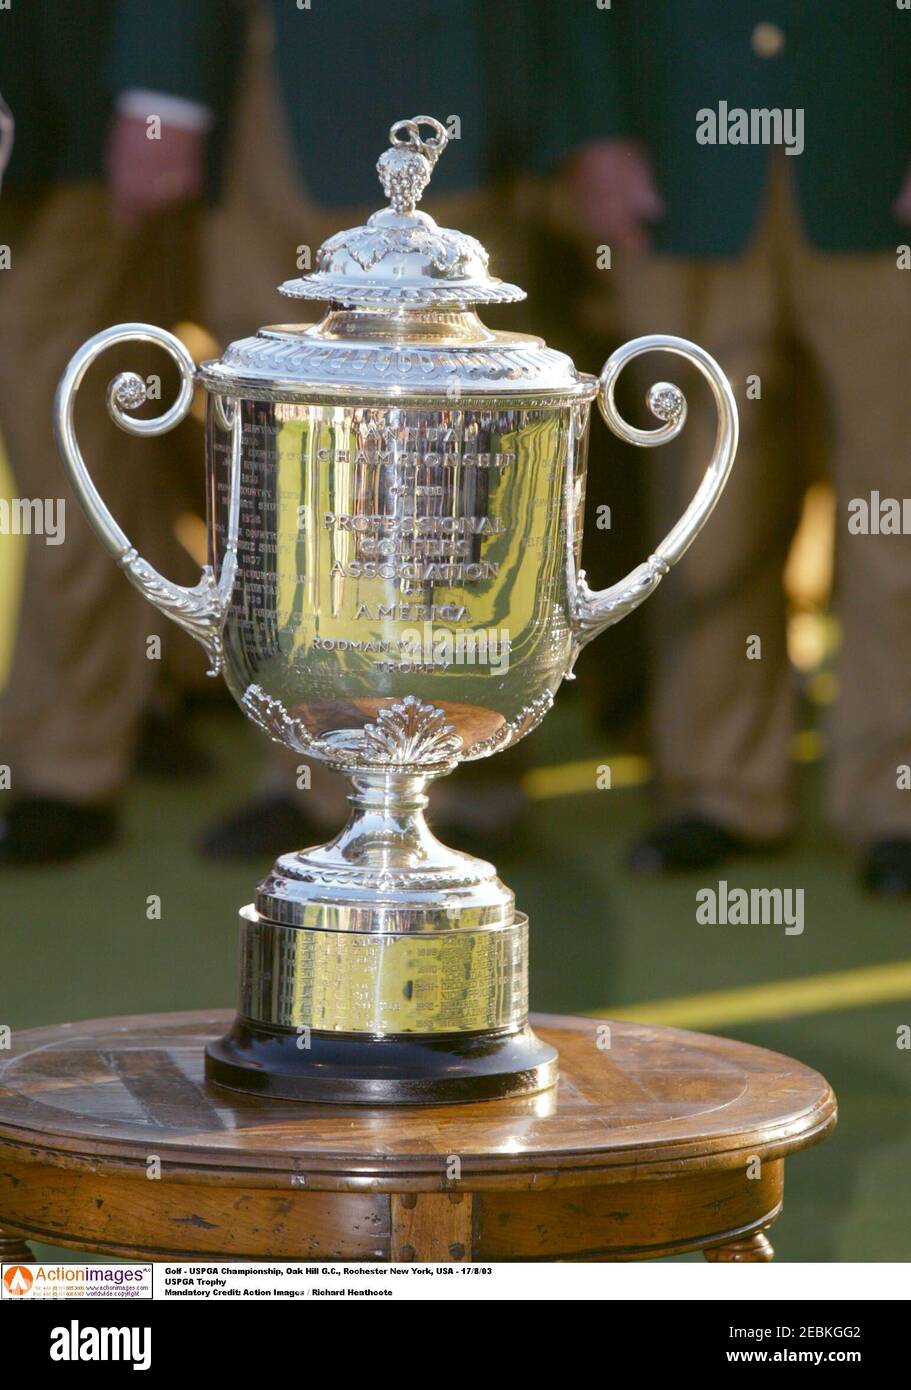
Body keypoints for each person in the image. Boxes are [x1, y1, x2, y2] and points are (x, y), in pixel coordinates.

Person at [109, 0, 541, 861]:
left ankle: (464, 759)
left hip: (426, 82)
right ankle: (308, 776)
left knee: (444, 454)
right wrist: (169, 92)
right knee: (281, 456)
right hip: (255, 92)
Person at [547, 1, 911, 895]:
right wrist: (593, 135)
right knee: (704, 506)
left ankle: (895, 800)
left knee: (895, 506)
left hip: (877, 155)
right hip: (682, 164)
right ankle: (717, 789)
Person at [0, 0, 212, 866]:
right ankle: (157, 683)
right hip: (62, 121)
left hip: (65, 128)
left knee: (64, 449)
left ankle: (63, 767)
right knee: (94, 442)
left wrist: (162, 95)